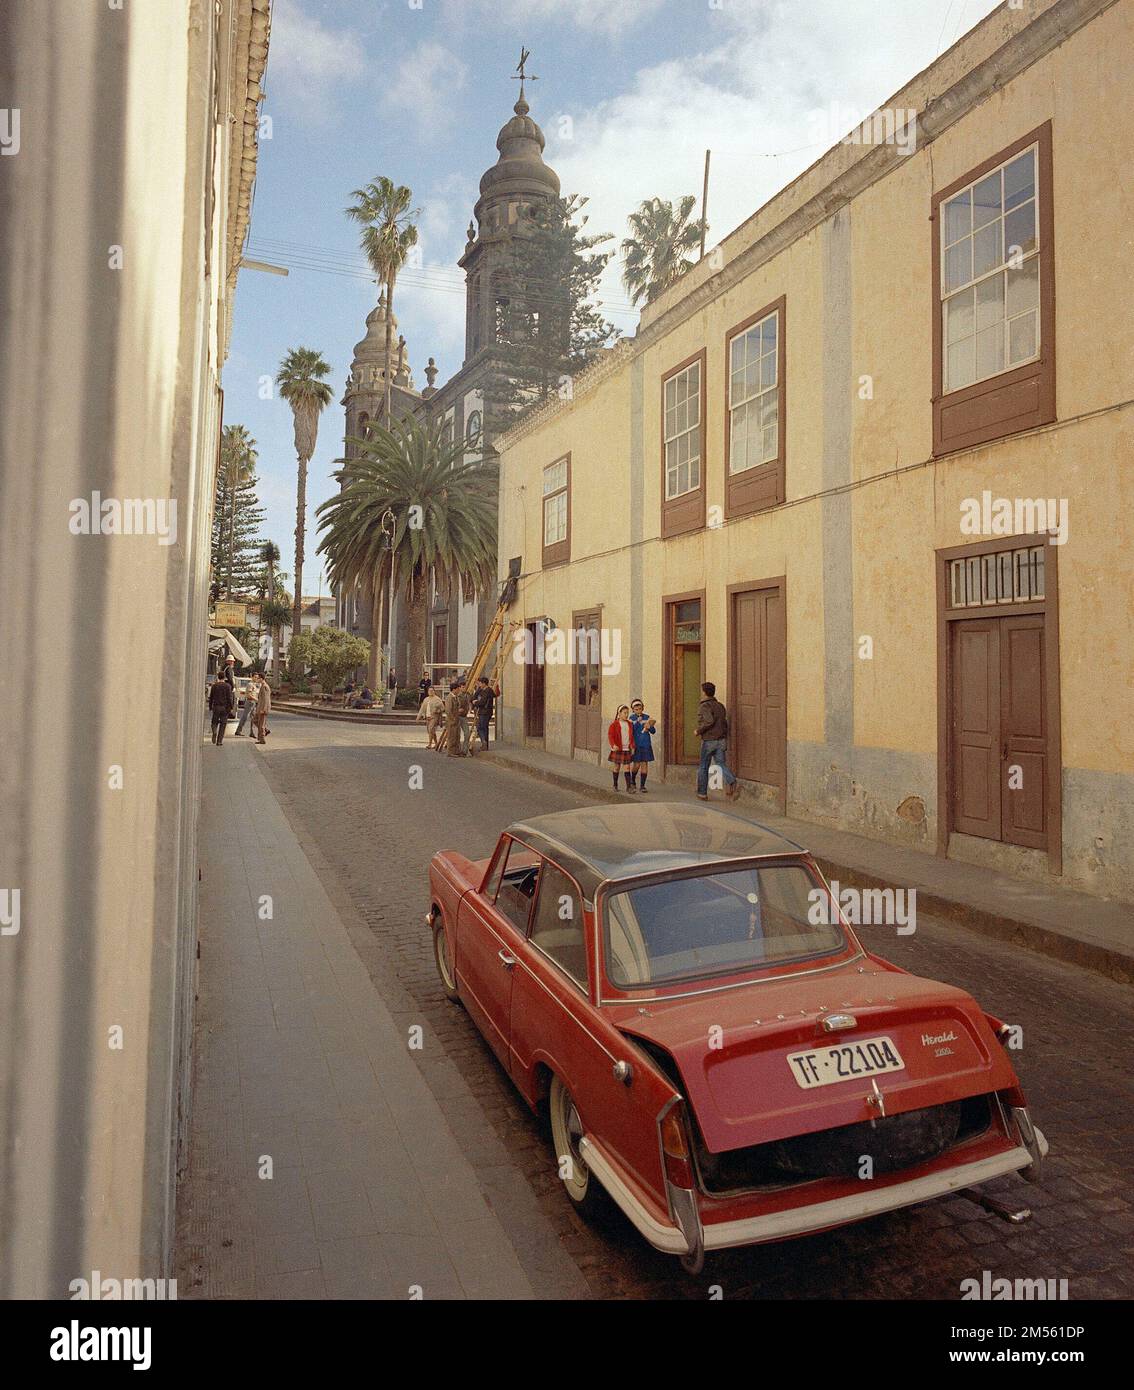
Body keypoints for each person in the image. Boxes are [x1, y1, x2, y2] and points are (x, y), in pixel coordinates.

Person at [695, 681, 739, 801]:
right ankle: (732, 780)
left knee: (703, 766)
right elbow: (724, 722)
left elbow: (709, 721)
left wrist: (698, 731)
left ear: (704, 692)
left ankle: (702, 793)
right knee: (720, 763)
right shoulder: (720, 706)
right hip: (721, 740)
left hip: (709, 740)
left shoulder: (704, 706)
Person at [628, 698, 656, 792]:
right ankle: (633, 780)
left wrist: (650, 727)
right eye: (636, 709)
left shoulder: (647, 717)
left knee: (644, 764)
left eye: (640, 709)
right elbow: (631, 731)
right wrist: (637, 722)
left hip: (646, 744)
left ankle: (643, 785)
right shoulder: (632, 718)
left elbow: (653, 731)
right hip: (637, 744)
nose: (638, 711)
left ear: (642, 708)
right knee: (636, 764)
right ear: (633, 710)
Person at [607, 704, 636, 792]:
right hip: (618, 749)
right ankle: (615, 785)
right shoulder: (614, 724)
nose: (626, 715)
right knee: (616, 767)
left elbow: (632, 736)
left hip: (626, 749)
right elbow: (610, 736)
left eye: (627, 713)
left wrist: (633, 746)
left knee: (627, 768)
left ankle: (628, 787)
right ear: (619, 714)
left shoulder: (630, 724)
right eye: (624, 713)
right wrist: (613, 745)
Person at [208, 673, 234, 745]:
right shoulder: (228, 686)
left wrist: (210, 706)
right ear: (225, 677)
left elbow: (211, 697)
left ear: (218, 677)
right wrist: (231, 707)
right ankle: (219, 741)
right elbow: (229, 697)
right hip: (225, 708)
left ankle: (214, 732)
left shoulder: (214, 686)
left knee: (214, 722)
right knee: (223, 724)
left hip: (216, 706)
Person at [471, 675, 494, 752]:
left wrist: (476, 702)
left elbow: (483, 702)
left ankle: (484, 742)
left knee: (482, 727)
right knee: (482, 728)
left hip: (485, 712)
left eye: (480, 683)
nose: (479, 684)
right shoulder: (481, 690)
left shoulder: (488, 691)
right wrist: (478, 689)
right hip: (482, 711)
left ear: (484, 683)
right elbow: (474, 696)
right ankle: (484, 743)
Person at [417, 684, 444, 749]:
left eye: (432, 691)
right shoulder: (426, 699)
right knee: (430, 731)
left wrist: (438, 711)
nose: (431, 692)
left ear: (434, 691)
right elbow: (422, 709)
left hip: (434, 717)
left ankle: (429, 744)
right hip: (427, 717)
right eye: (429, 691)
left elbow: (443, 708)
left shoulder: (437, 699)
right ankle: (436, 743)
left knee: (431, 729)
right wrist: (418, 717)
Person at [443, 681, 464, 757]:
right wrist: (453, 719)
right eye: (458, 689)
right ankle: (450, 752)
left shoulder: (455, 697)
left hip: (456, 719)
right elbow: (448, 710)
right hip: (451, 721)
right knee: (451, 736)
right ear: (454, 689)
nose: (459, 691)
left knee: (456, 736)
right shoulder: (449, 698)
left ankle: (456, 751)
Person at [456, 677, 474, 756]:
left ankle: (464, 750)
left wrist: (471, 708)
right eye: (463, 687)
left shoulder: (468, 695)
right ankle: (457, 750)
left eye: (465, 687)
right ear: (460, 688)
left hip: (464, 716)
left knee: (467, 733)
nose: (464, 688)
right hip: (457, 717)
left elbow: (472, 702)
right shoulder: (456, 695)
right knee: (457, 734)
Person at [254, 672, 272, 745]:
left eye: (258, 678)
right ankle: (265, 731)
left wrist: (264, 709)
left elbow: (266, 699)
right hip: (260, 707)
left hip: (263, 708)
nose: (257, 679)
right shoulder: (262, 686)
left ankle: (262, 739)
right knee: (255, 720)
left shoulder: (265, 687)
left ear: (261, 678)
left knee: (261, 724)